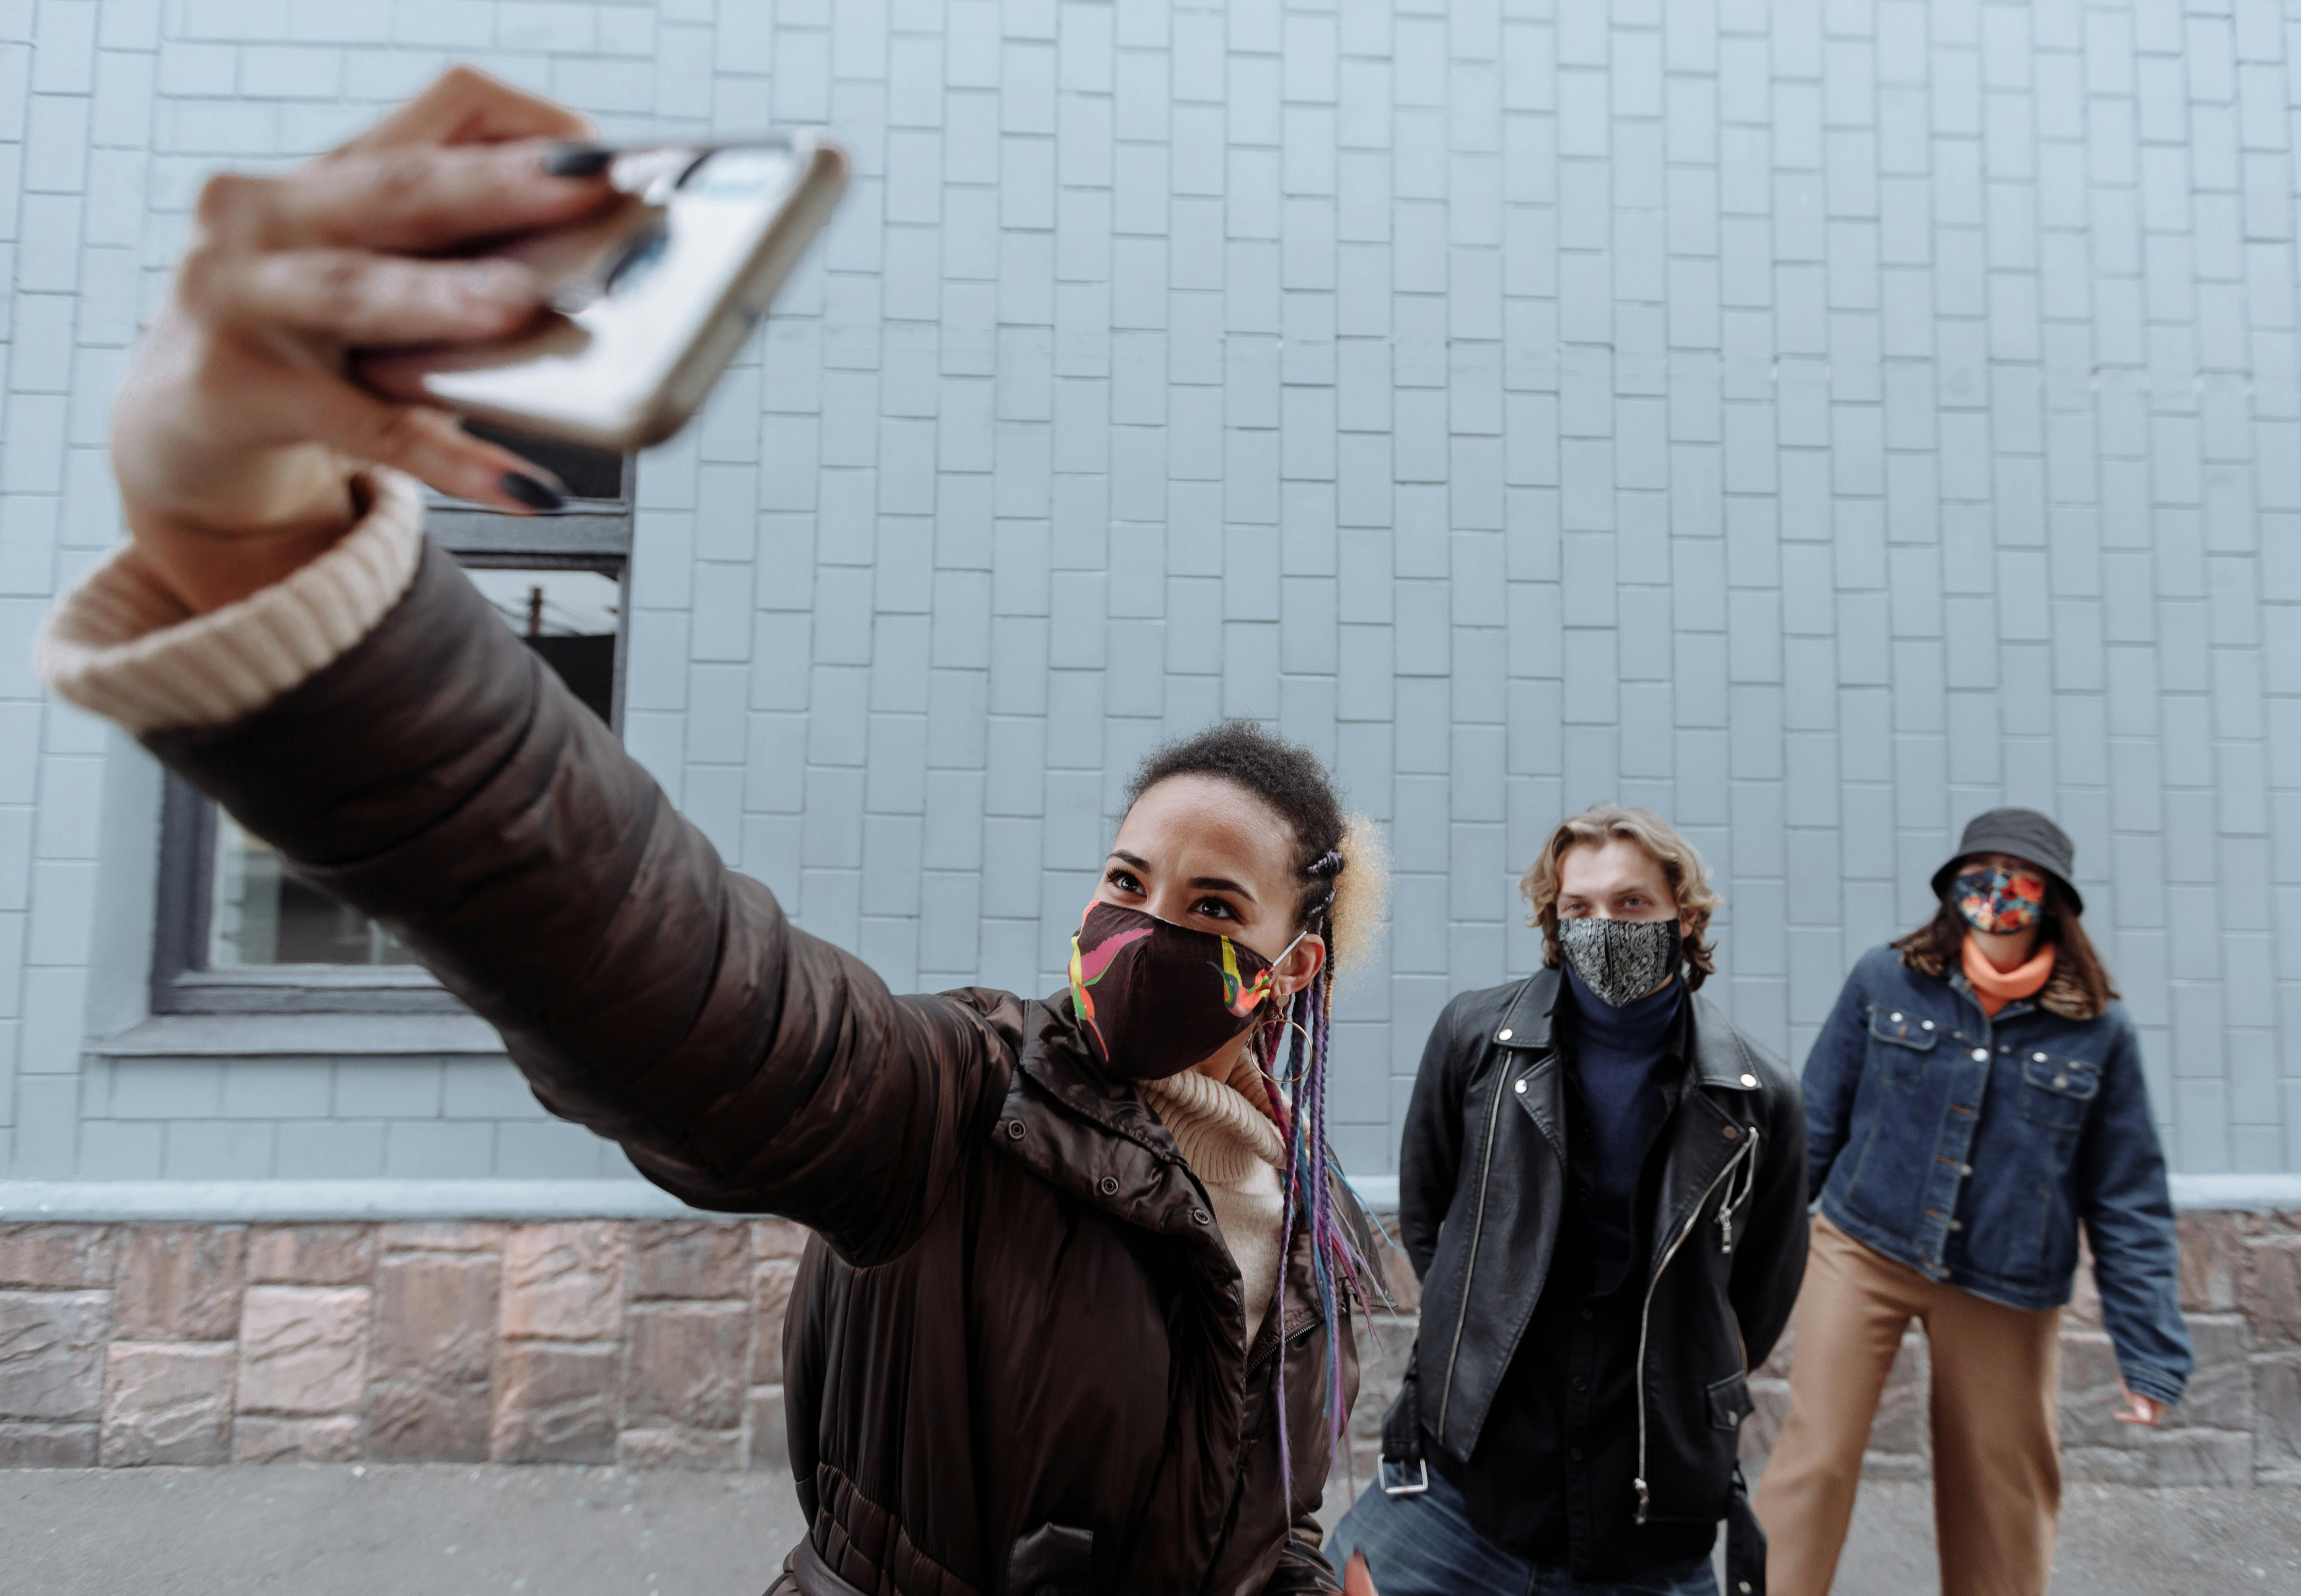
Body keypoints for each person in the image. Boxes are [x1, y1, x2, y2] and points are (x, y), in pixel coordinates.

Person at [47, 67, 1393, 1596]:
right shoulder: (958, 1102)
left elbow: (1253, 1493)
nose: (1143, 923)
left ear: (1291, 967)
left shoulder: (1314, 1217)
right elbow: (667, 971)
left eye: (1211, 904)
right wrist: (271, 561)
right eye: (1123, 876)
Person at [1331, 807, 1809, 1596]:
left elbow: (1757, 1296)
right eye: (1578, 907)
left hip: (1651, 1509)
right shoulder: (1476, 1040)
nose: (1603, 926)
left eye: (1630, 904)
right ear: (1553, 917)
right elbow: (1431, 1218)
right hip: (1469, 1486)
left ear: (1683, 917)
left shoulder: (1760, 1099)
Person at [1753, 808, 2194, 1596]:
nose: (1996, 891)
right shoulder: (1885, 980)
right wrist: (1746, 1267)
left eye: (2017, 876)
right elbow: (1814, 1123)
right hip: (1864, 1245)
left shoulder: (2099, 1032)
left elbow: (2128, 1198)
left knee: (2003, 1487)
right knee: (1814, 1457)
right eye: (1978, 873)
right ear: (1953, 889)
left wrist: (2150, 1351)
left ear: (2051, 898)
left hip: (2005, 1280)